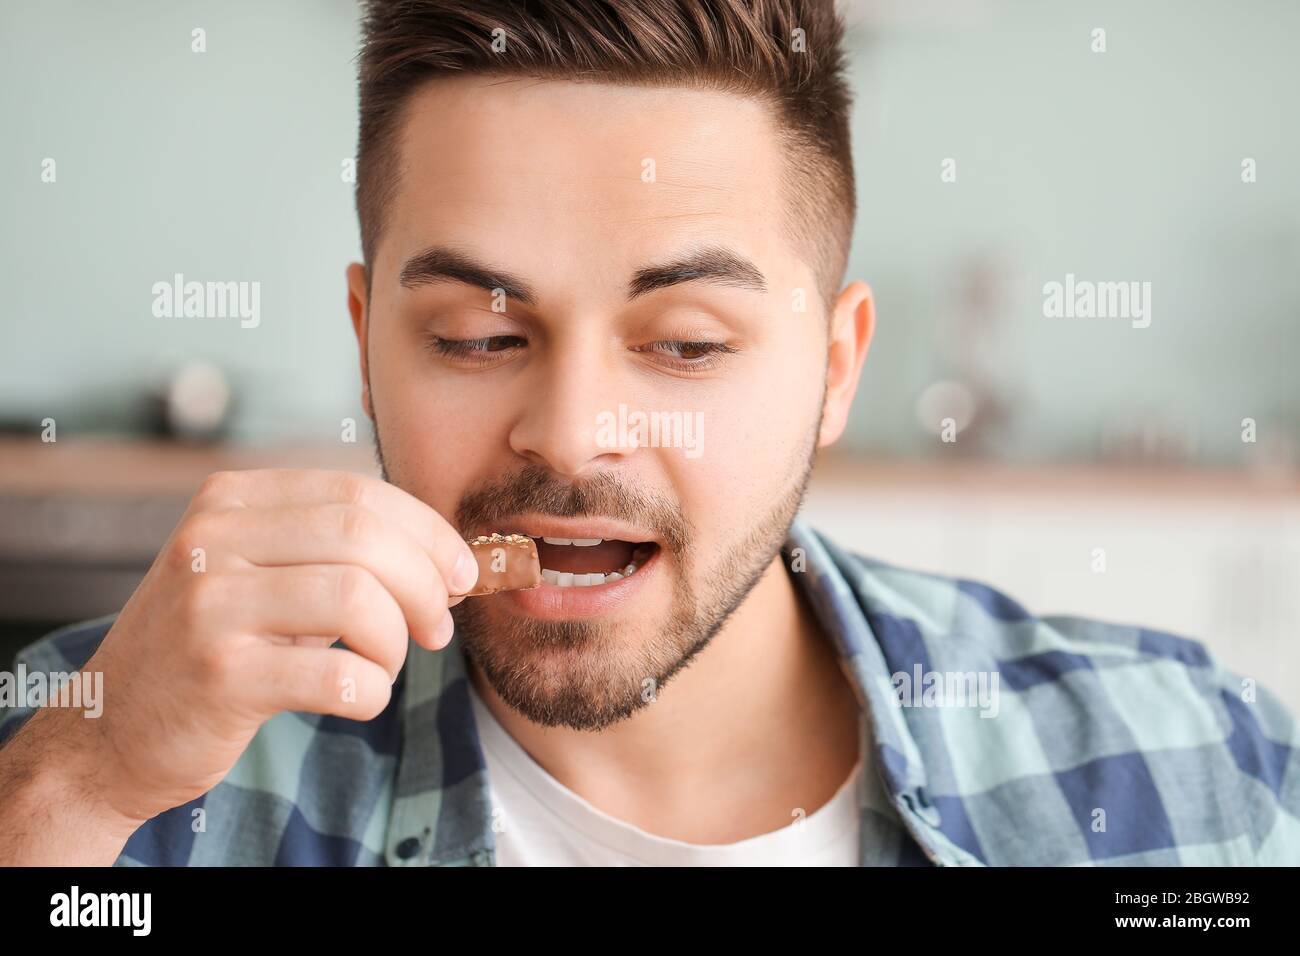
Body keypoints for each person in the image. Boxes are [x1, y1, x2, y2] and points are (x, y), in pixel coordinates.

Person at [1, 0, 1295, 866]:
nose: (573, 436)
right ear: (364, 341)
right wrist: (75, 787)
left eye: (683, 345)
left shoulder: (1192, 775)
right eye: (476, 338)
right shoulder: (108, 764)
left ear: (836, 370)